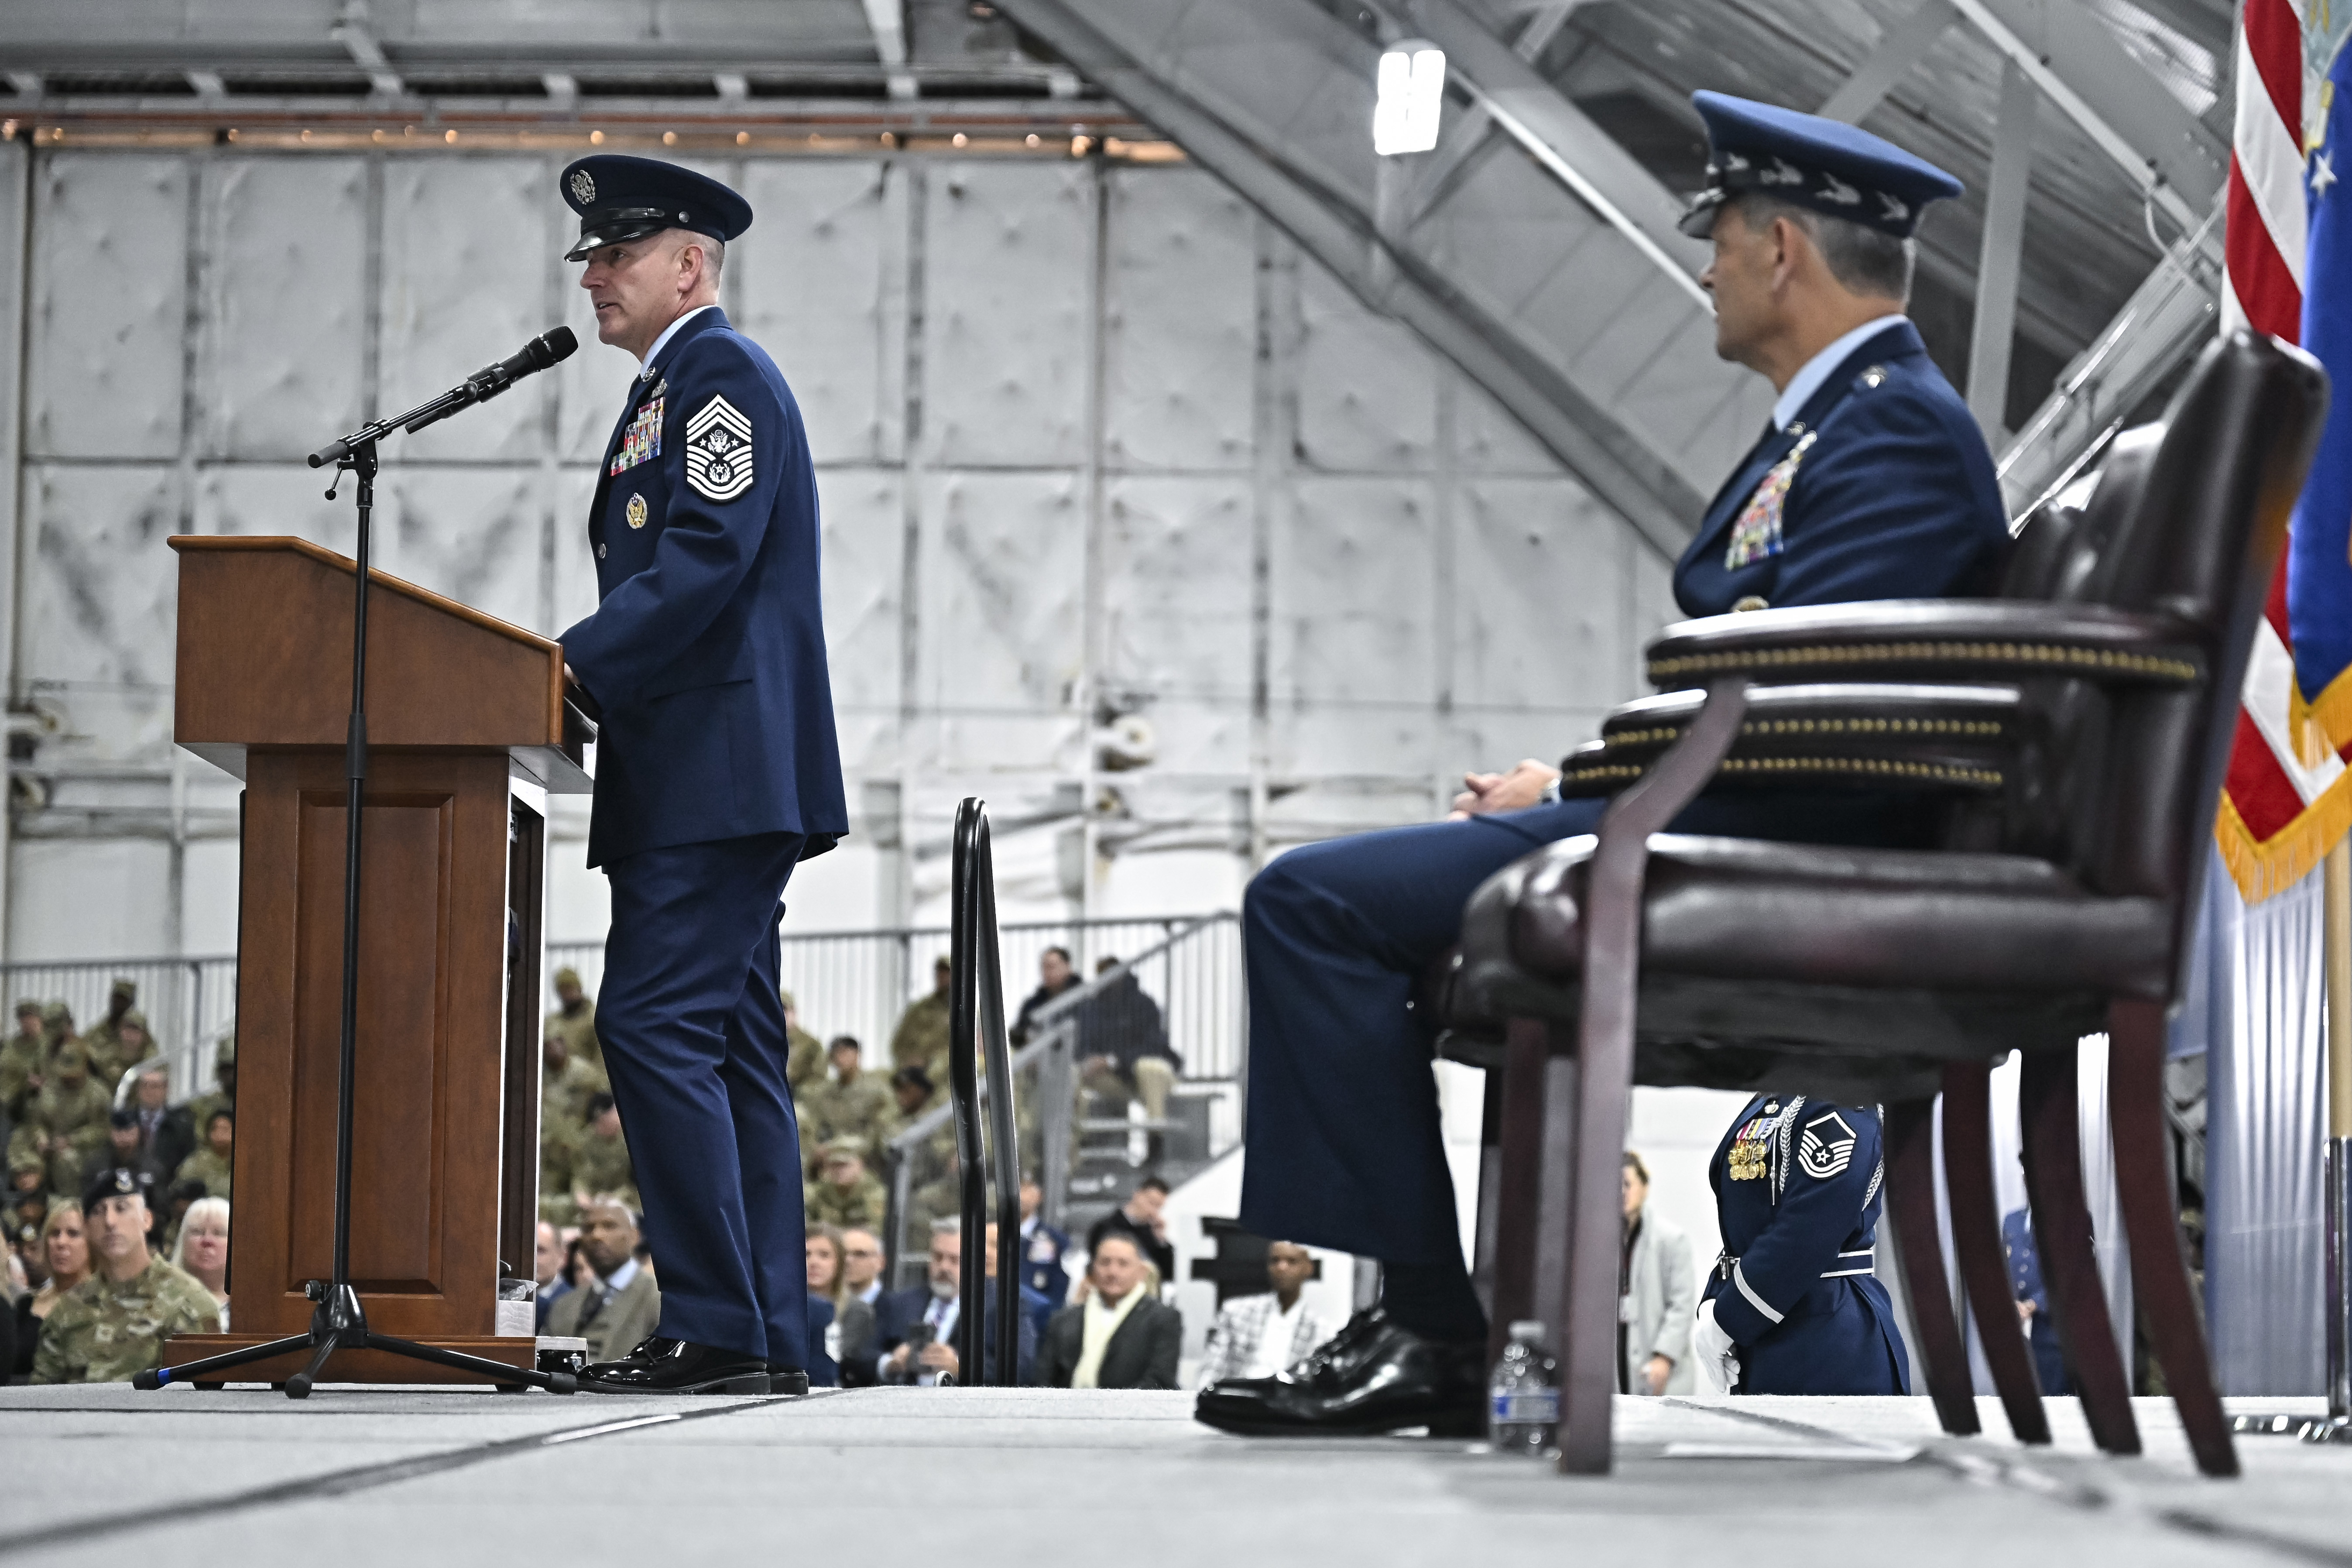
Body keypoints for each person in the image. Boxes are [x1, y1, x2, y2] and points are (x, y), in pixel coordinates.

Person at [1199, 93, 1999, 1439]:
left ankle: (1431, 1328)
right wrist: (1569, 787)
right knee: (1334, 902)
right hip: (1721, 820)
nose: (1701, 266)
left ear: (1781, 249)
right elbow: (1774, 695)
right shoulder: (1845, 424)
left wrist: (1586, 801)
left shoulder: (1889, 433)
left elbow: (1821, 726)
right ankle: (1423, 1318)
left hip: (1768, 851)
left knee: (1309, 903)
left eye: (1721, 235)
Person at [555, 153, 846, 1397]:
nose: (594, 277)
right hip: (698, 770)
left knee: (649, 1022)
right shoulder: (659, 394)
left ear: (690, 264)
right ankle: (769, 1335)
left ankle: (719, 1324)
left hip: (717, 771)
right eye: (589, 259)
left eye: (618, 255)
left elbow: (708, 557)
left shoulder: (717, 375)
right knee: (725, 1049)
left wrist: (564, 662)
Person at [1690, 1096, 1907, 1394]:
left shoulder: (1841, 1094)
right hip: (1772, 1329)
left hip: (1826, 1338)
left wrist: (1730, 1317)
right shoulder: (1779, 1094)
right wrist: (1716, 1300)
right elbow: (1749, 1222)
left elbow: (1811, 1226)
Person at [31, 1169, 217, 1383]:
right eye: (99, 1211)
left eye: (122, 1208)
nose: (110, 1221)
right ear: (88, 1227)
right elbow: (40, 1395)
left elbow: (204, 1399)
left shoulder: (189, 1303)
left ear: (147, 1220)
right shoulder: (67, 1311)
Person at [874, 1221, 1035, 1386]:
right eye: (938, 1257)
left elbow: (1021, 1369)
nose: (944, 1267)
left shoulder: (1003, 1307)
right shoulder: (901, 1302)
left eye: (955, 1259)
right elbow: (861, 1357)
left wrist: (960, 1367)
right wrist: (891, 1364)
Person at [1036, 1233, 1183, 1390]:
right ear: (1092, 1268)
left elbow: (1160, 1379)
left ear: (1141, 1272)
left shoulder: (1163, 1319)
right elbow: (1043, 1378)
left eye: (1123, 1264)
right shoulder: (1064, 1319)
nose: (1113, 1272)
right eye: (1105, 1263)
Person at [544, 1199, 664, 1365]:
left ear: (634, 1236)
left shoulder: (659, 1300)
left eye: (610, 1226)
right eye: (588, 1228)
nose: (597, 1236)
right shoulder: (562, 1307)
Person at [1198, 1240, 1329, 1386]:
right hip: (1237, 1398)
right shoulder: (1236, 1313)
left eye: (1292, 1262)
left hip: (1285, 1403)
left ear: (1308, 1268)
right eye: (1275, 1261)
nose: (1282, 1267)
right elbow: (1212, 1368)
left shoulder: (1320, 1329)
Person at [1620, 1152, 1695, 1395]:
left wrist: (1664, 1357)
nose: (1621, 1192)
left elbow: (1682, 1305)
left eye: (1627, 1184)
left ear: (1645, 1188)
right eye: (1615, 1185)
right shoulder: (1597, 1243)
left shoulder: (1672, 1240)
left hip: (1662, 1368)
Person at [13, 1044, 112, 1197]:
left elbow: (103, 1129)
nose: (68, 1079)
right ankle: (28, 1204)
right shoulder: (51, 1088)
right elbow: (37, 1120)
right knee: (21, 1148)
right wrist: (41, 1136)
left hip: (84, 1149)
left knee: (66, 1160)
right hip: (50, 1142)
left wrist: (72, 1140)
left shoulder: (98, 1093)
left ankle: (69, 1203)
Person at [2002, 1204, 2071, 1396]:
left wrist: (2034, 1304)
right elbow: (2002, 1266)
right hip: (2016, 1328)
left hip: (2053, 1331)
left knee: (2054, 1401)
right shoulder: (2013, 1220)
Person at [13, 1199, 86, 1377]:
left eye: (73, 1233)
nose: (61, 1242)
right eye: (54, 1234)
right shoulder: (24, 1306)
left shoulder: (106, 1304)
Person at [800, 1036, 898, 1170]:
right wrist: (816, 1148)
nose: (840, 1060)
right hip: (829, 1159)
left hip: (864, 1159)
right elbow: (815, 1127)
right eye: (835, 1055)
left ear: (858, 1056)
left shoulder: (877, 1091)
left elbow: (880, 1131)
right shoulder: (824, 1093)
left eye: (845, 1054)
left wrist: (837, 1148)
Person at [1087, 1175, 1176, 1292]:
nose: (1153, 1211)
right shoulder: (1106, 1228)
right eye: (1151, 1202)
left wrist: (1161, 1241)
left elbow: (1168, 1275)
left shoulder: (1153, 1235)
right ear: (1137, 1195)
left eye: (1159, 1207)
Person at [565, 1093, 639, 1213]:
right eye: (598, 1122)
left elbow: (633, 1185)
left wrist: (613, 1198)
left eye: (605, 1121)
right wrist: (581, 1194)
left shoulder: (633, 1141)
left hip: (627, 1200)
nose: (599, 1127)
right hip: (594, 1199)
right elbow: (581, 1176)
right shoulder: (588, 1141)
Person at [169, 1194, 230, 1332]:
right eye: (197, 1232)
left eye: (219, 1233)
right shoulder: (161, 1299)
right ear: (182, 1242)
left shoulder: (254, 1307)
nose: (207, 1241)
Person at [890, 957, 953, 1084]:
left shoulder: (968, 1013)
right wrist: (907, 1062)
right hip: (911, 1073)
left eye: (947, 972)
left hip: (943, 1075)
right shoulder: (919, 1009)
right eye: (940, 972)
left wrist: (929, 1063)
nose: (943, 977)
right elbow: (898, 1043)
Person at [128, 1067, 195, 1183]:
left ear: (166, 1089)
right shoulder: (127, 1120)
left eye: (154, 1086)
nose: (149, 1091)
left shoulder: (180, 1125)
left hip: (168, 1186)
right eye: (144, 1086)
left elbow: (188, 1160)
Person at [805, 1139, 888, 1232]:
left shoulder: (874, 1193)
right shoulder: (817, 1192)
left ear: (860, 1165)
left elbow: (878, 1230)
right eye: (834, 1165)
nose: (839, 1171)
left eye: (845, 1165)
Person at [1018, 1175, 1072, 1309]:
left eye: (1029, 1192)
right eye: (1020, 1190)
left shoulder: (1054, 1240)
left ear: (1040, 1197)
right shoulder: (993, 1236)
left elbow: (1060, 1281)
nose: (1022, 1198)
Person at [1011, 947, 1081, 1045]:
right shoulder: (1032, 1004)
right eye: (1043, 967)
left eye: (1051, 967)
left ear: (1067, 966)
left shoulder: (1085, 998)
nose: (1047, 972)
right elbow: (1020, 1033)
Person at [542, 1030, 610, 1129]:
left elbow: (602, 1092)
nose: (550, 1052)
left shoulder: (580, 1069)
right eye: (546, 1048)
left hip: (584, 1125)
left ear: (562, 1044)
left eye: (552, 1046)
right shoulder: (544, 1078)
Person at [545, 967, 601, 1069]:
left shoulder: (595, 1019)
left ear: (579, 988)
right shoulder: (553, 1022)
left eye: (570, 988)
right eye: (563, 990)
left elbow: (601, 1060)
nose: (567, 995)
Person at [175, 1109, 234, 1200]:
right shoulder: (197, 1161)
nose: (219, 1134)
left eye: (225, 1130)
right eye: (215, 1129)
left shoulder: (243, 1162)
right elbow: (179, 1187)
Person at [185, 1036, 235, 1138]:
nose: (230, 1075)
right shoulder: (204, 1106)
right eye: (225, 1070)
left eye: (233, 1069)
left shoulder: (255, 1106)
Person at [782, 990, 826, 1097]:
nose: (780, 1014)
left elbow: (818, 1080)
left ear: (794, 1012)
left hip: (798, 1099)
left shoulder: (811, 1045)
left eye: (784, 1009)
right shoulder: (761, 1041)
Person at [534, 1220, 573, 1330]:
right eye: (527, 1250)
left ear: (562, 1257)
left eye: (541, 1250)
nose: (532, 1258)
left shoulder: (572, 1304)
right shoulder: (511, 1299)